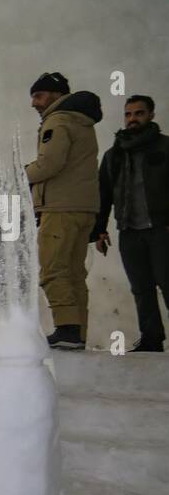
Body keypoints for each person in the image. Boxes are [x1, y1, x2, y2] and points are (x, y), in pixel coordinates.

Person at [24, 73, 103, 350]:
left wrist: (20, 175)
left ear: (56, 95)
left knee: (53, 269)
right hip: (83, 208)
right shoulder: (83, 122)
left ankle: (67, 330)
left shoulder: (58, 121)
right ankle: (77, 332)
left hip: (61, 208)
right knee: (74, 272)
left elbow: (49, 164)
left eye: (39, 95)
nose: (34, 103)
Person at [92, 95, 168, 353]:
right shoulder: (114, 154)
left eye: (139, 113)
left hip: (161, 229)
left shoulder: (165, 148)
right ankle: (151, 339)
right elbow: (103, 195)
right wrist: (99, 230)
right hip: (129, 231)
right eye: (128, 114)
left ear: (151, 115)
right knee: (141, 288)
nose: (133, 119)